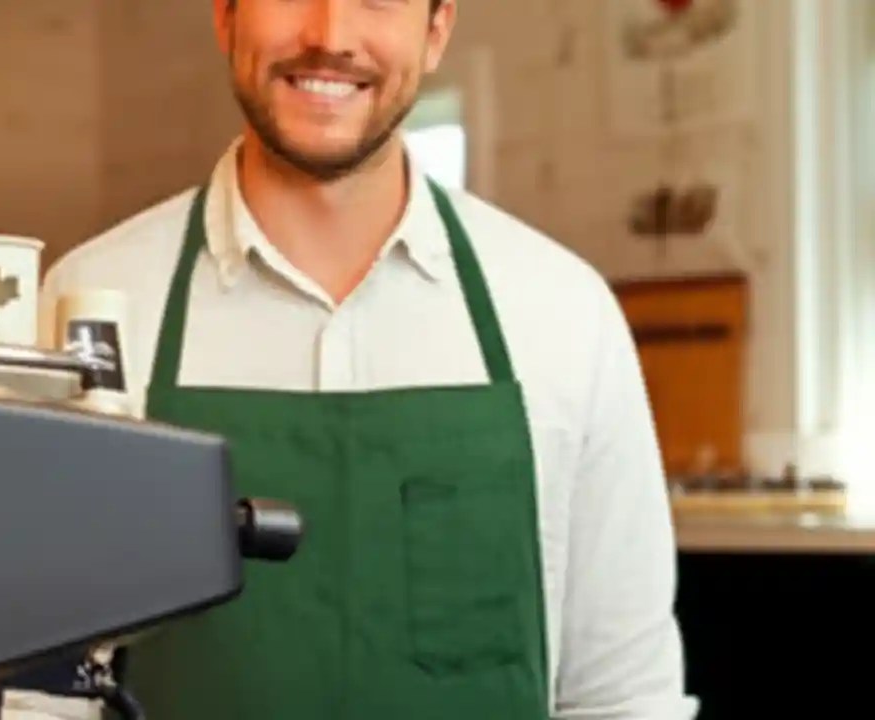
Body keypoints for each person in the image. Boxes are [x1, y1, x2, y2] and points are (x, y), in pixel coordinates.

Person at [39, 0, 697, 717]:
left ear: (437, 28)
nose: (329, 35)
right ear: (224, 16)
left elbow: (623, 700)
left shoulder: (563, 313)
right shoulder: (91, 302)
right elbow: (40, 695)